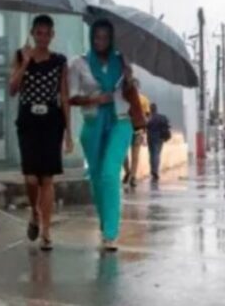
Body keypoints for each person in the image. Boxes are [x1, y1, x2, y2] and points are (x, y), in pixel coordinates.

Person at [68, 19, 135, 251]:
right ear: (91, 37)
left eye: (106, 37)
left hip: (121, 122)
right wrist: (96, 99)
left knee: (109, 174)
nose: (101, 42)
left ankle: (111, 233)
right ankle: (105, 222)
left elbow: (130, 93)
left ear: (112, 39)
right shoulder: (79, 63)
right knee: (96, 179)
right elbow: (71, 98)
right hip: (93, 124)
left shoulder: (122, 61)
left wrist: (128, 77)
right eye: (97, 37)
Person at [8, 14, 71, 251]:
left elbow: (63, 95)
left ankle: (46, 230)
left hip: (51, 121)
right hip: (28, 120)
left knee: (47, 177)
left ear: (52, 35)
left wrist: (69, 132)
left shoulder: (59, 61)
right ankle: (34, 212)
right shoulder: (20, 56)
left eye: (47, 33)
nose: (43, 37)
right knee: (31, 177)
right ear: (33, 33)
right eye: (39, 32)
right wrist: (25, 63)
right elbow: (13, 89)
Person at [123, 83, 151, 189]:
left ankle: (129, 173)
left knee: (124, 153)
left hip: (126, 128)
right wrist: (144, 131)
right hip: (138, 129)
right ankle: (132, 175)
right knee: (135, 154)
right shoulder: (144, 99)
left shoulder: (124, 99)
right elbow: (147, 118)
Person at [145, 103, 171, 183]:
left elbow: (146, 126)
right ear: (156, 109)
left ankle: (153, 170)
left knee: (152, 154)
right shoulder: (161, 117)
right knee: (157, 154)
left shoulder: (150, 118)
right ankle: (155, 170)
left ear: (150, 109)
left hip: (151, 137)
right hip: (160, 138)